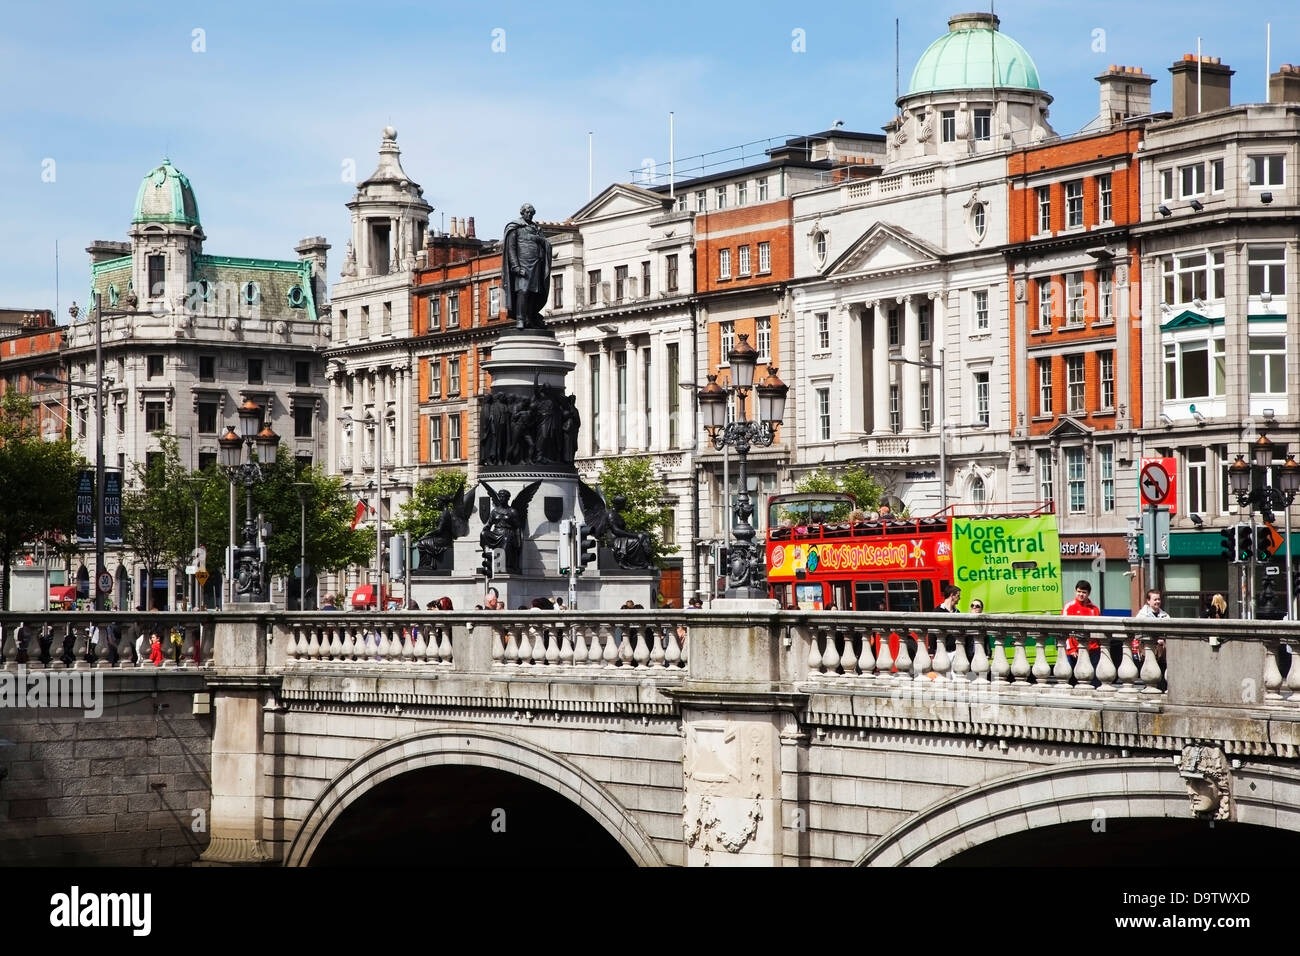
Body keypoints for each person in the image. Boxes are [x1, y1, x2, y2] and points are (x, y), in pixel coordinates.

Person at [1062, 580, 1102, 676]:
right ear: (1075, 591)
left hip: (1093, 650)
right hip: (1074, 651)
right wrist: (1071, 649)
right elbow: (1064, 630)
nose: (1081, 594)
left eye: (1084, 592)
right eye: (1079, 591)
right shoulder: (1069, 607)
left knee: (1094, 679)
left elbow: (1099, 629)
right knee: (1072, 679)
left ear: (1088, 594)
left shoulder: (1094, 609)